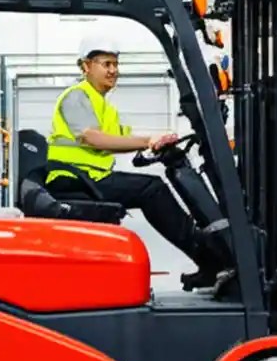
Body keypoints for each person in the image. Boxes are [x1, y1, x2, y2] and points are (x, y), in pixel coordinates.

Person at [45, 37, 222, 289]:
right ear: (86, 66)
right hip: (75, 180)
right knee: (152, 190)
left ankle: (208, 260)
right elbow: (93, 138)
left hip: (88, 178)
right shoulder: (77, 97)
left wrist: (157, 139)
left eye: (116, 64)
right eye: (106, 64)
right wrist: (147, 140)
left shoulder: (102, 104)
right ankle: (211, 261)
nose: (113, 70)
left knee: (151, 187)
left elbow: (124, 138)